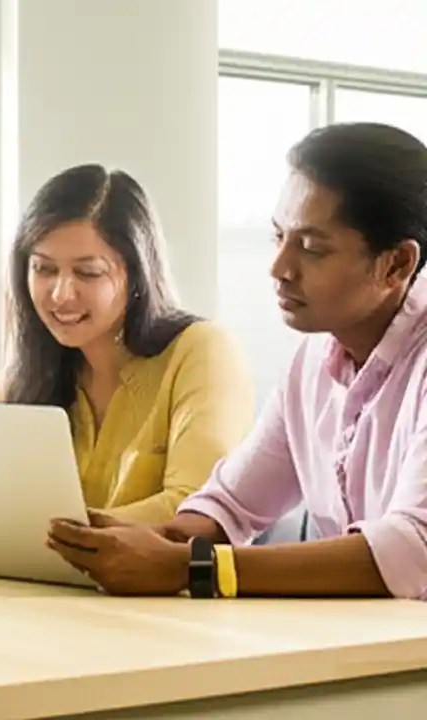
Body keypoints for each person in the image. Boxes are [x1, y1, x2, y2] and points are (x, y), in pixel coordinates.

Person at [47, 122, 427, 600]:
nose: (279, 268)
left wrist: (191, 567)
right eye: (278, 237)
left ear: (396, 265)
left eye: (311, 248)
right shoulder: (314, 360)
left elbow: (414, 549)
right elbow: (231, 503)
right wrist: (133, 544)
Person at [0, 164, 254, 523]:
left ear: (137, 275)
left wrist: (53, 535)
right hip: (42, 577)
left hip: (158, 580)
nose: (61, 294)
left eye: (87, 273)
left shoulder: (201, 351)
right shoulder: (25, 376)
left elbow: (196, 507)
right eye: (44, 269)